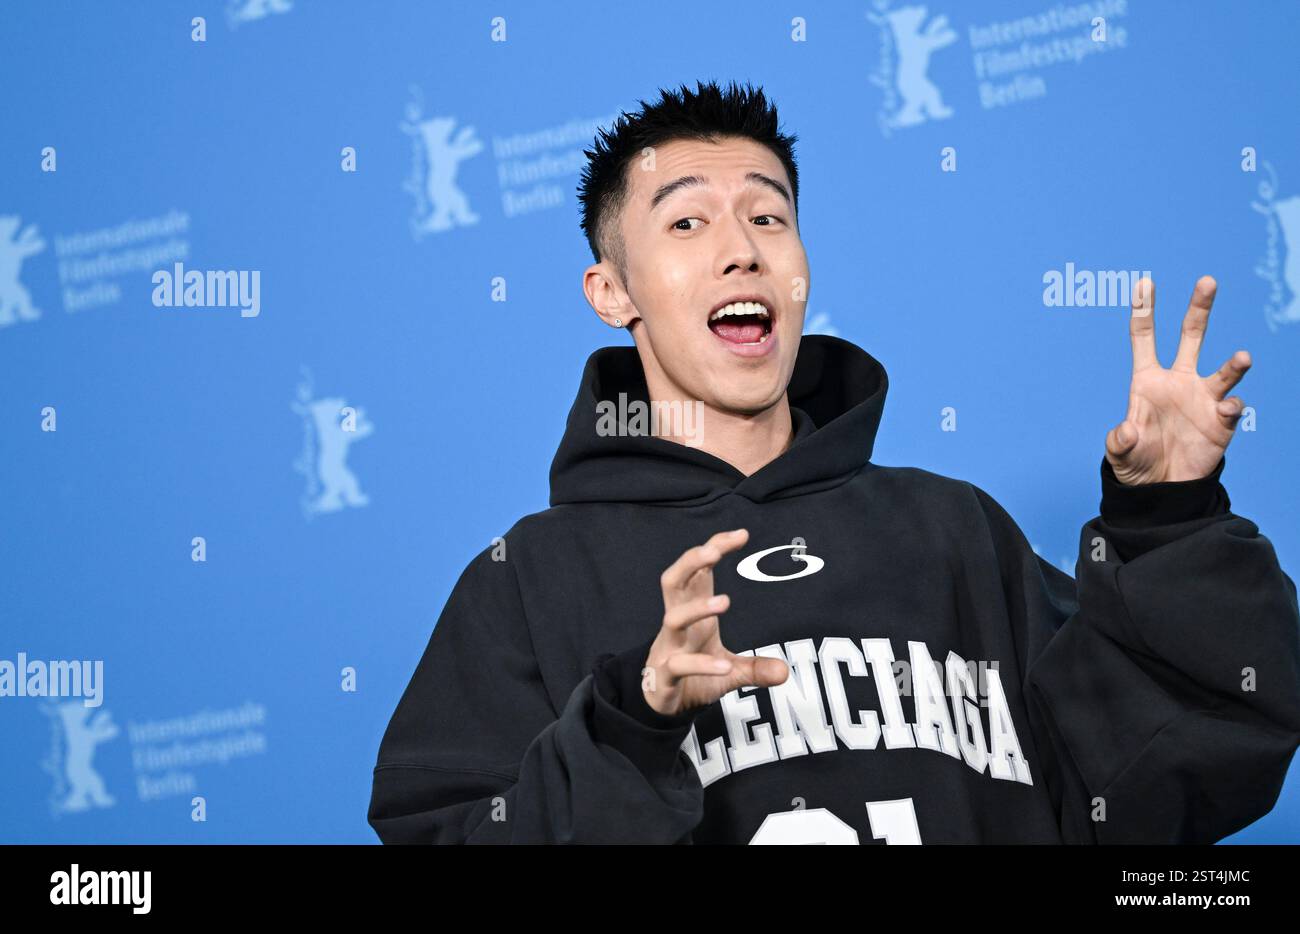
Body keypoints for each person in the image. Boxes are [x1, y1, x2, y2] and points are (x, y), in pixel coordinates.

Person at [367, 80, 1300, 844]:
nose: (741, 250)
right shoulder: (525, 579)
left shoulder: (954, 530)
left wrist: (1170, 517)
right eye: (687, 224)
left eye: (769, 218)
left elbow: (1175, 773)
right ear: (612, 292)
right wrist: (632, 723)